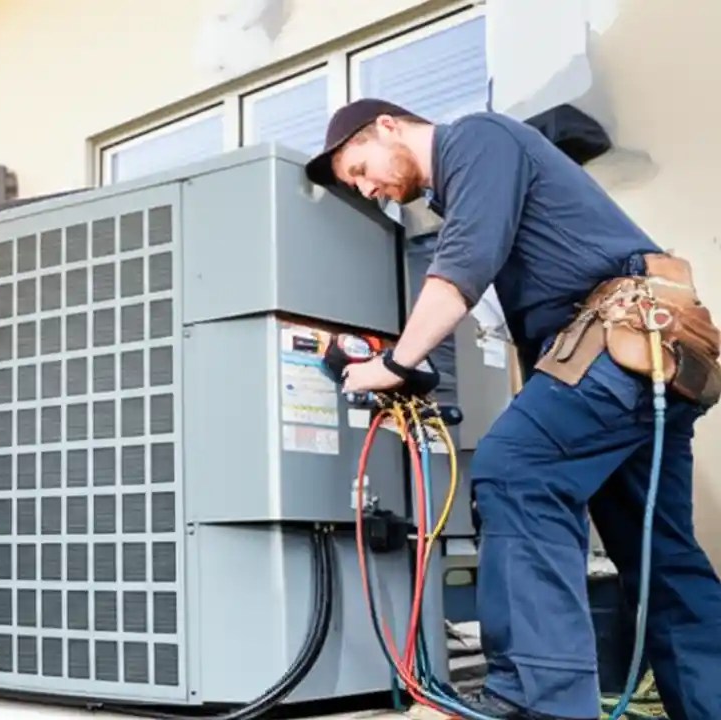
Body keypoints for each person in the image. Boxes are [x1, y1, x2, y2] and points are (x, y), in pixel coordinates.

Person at [303, 98, 721, 720]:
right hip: (652, 360)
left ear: (386, 126)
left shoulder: (475, 140)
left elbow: (461, 270)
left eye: (360, 169)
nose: (370, 190)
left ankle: (538, 699)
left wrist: (391, 364)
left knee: (513, 472)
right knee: (661, 553)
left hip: (620, 337)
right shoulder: (492, 180)